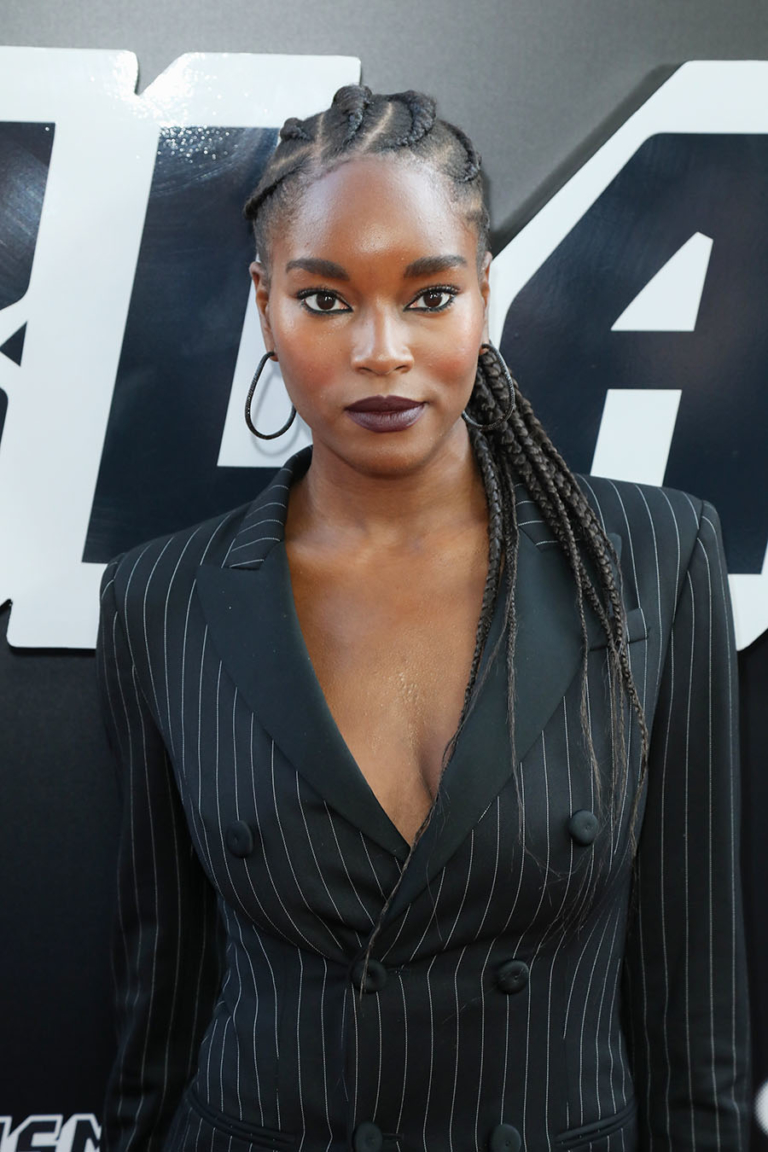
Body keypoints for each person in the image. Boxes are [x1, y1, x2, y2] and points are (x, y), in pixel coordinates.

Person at [96, 85, 751, 1152]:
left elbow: (696, 1009)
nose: (382, 350)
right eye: (326, 301)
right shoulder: (161, 599)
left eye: (430, 297)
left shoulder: (653, 558)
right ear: (263, 303)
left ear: (486, 295)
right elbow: (157, 1000)